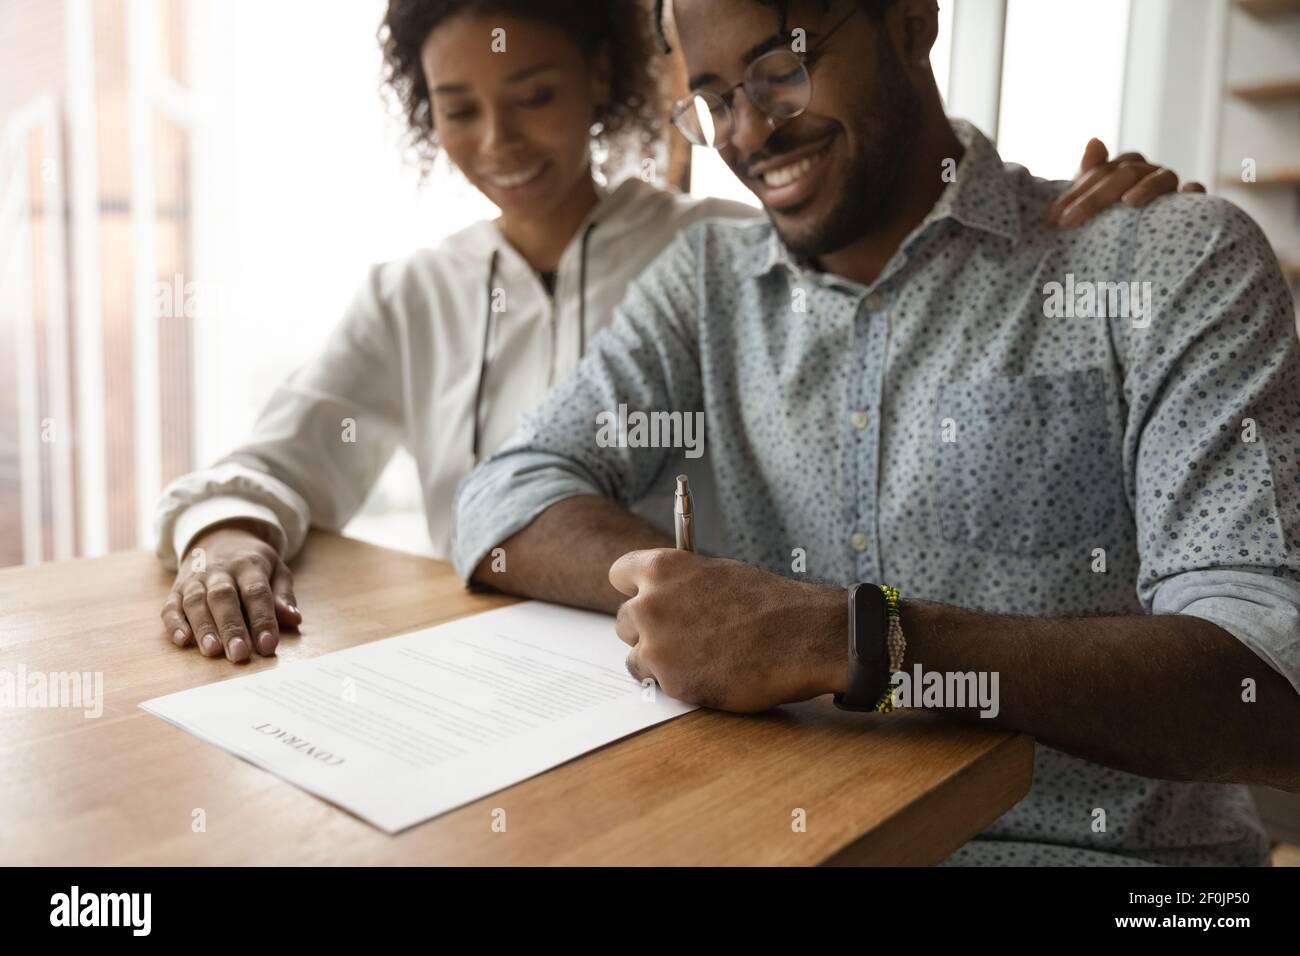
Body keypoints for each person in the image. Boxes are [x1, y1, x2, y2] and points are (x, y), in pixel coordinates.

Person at [452, 0, 1300, 866]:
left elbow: (1269, 685)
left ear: (910, 22)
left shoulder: (1165, 262)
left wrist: (853, 638)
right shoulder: (706, 284)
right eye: (714, 100)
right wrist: (693, 599)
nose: (751, 133)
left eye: (783, 71)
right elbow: (505, 494)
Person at [154, 0, 1193, 665]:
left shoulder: (728, 242)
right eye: (458, 109)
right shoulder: (418, 292)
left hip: (711, 698)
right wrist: (226, 529)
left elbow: (908, 232)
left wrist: (1104, 223)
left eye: (533, 94)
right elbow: (342, 465)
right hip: (534, 677)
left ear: (601, 86)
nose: (500, 140)